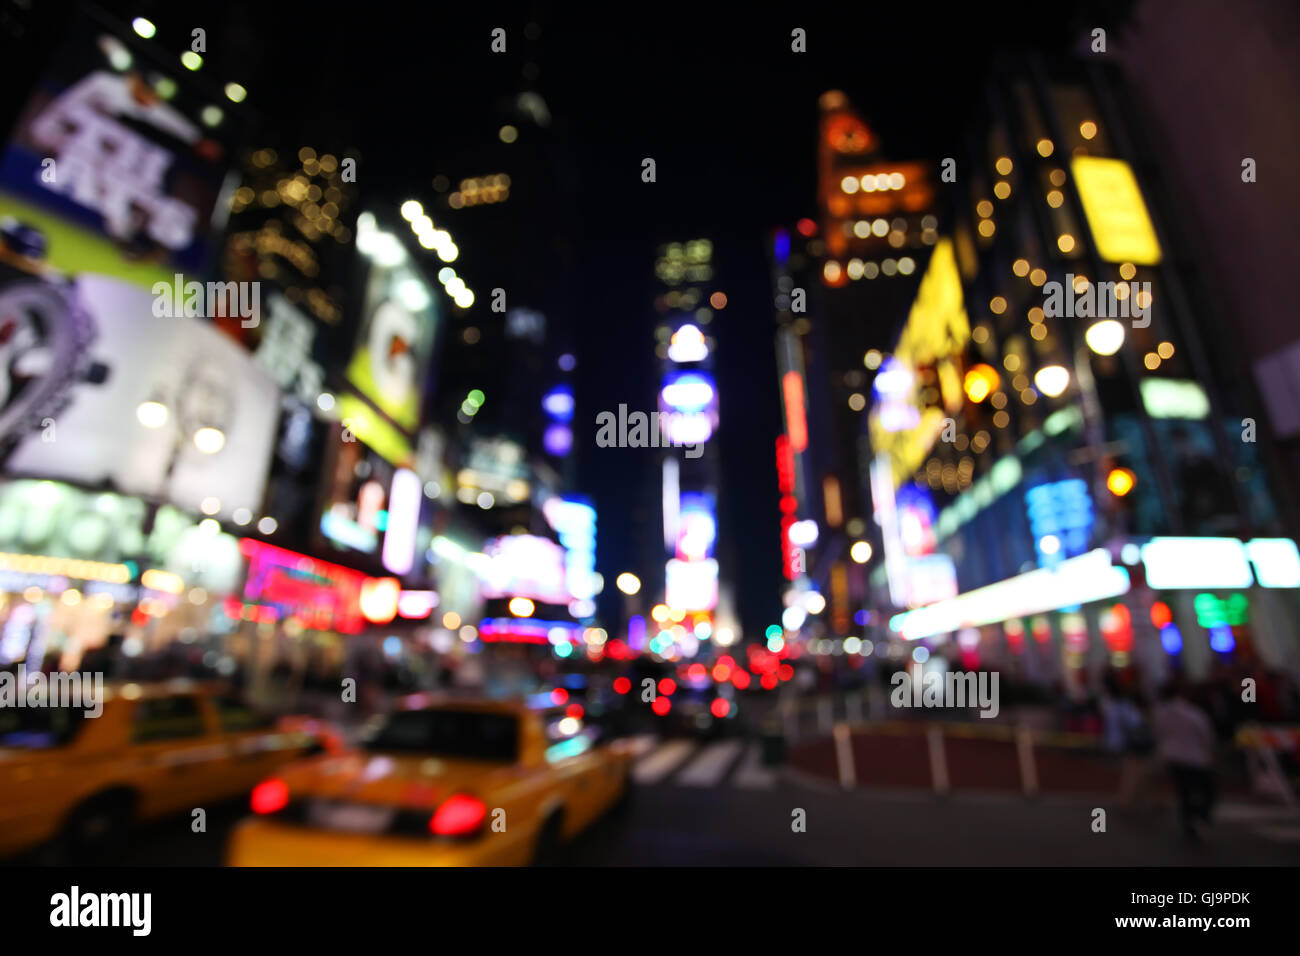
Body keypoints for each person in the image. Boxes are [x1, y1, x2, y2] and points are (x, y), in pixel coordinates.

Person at [1152, 679, 1217, 840]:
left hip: (1173, 756)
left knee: (1184, 792)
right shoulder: (1194, 714)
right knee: (1208, 791)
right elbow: (1207, 737)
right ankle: (1200, 815)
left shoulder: (1161, 713)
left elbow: (1158, 733)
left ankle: (1189, 823)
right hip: (1195, 758)